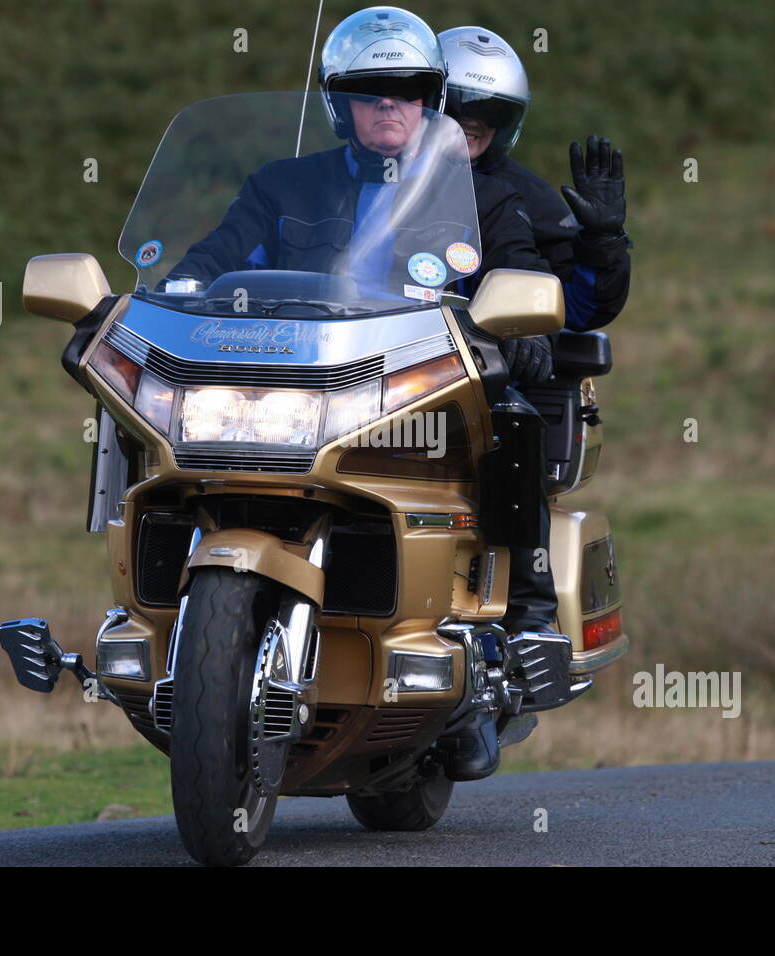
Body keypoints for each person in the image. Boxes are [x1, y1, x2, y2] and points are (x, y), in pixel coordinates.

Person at [165, 6, 553, 783]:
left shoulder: (475, 195)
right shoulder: (282, 184)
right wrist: (165, 295)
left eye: (408, 90)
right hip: (298, 385)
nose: (390, 104)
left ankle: (517, 632)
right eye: (369, 90)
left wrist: (523, 320)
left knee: (515, 418)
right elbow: (206, 261)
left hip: (416, 392)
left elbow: (520, 266)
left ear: (430, 99)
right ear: (337, 102)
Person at [437, 26, 631, 332]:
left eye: (493, 112)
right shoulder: (374, 173)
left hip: (467, 360)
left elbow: (576, 308)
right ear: (427, 100)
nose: (474, 121)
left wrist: (602, 242)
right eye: (459, 105)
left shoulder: (522, 196)